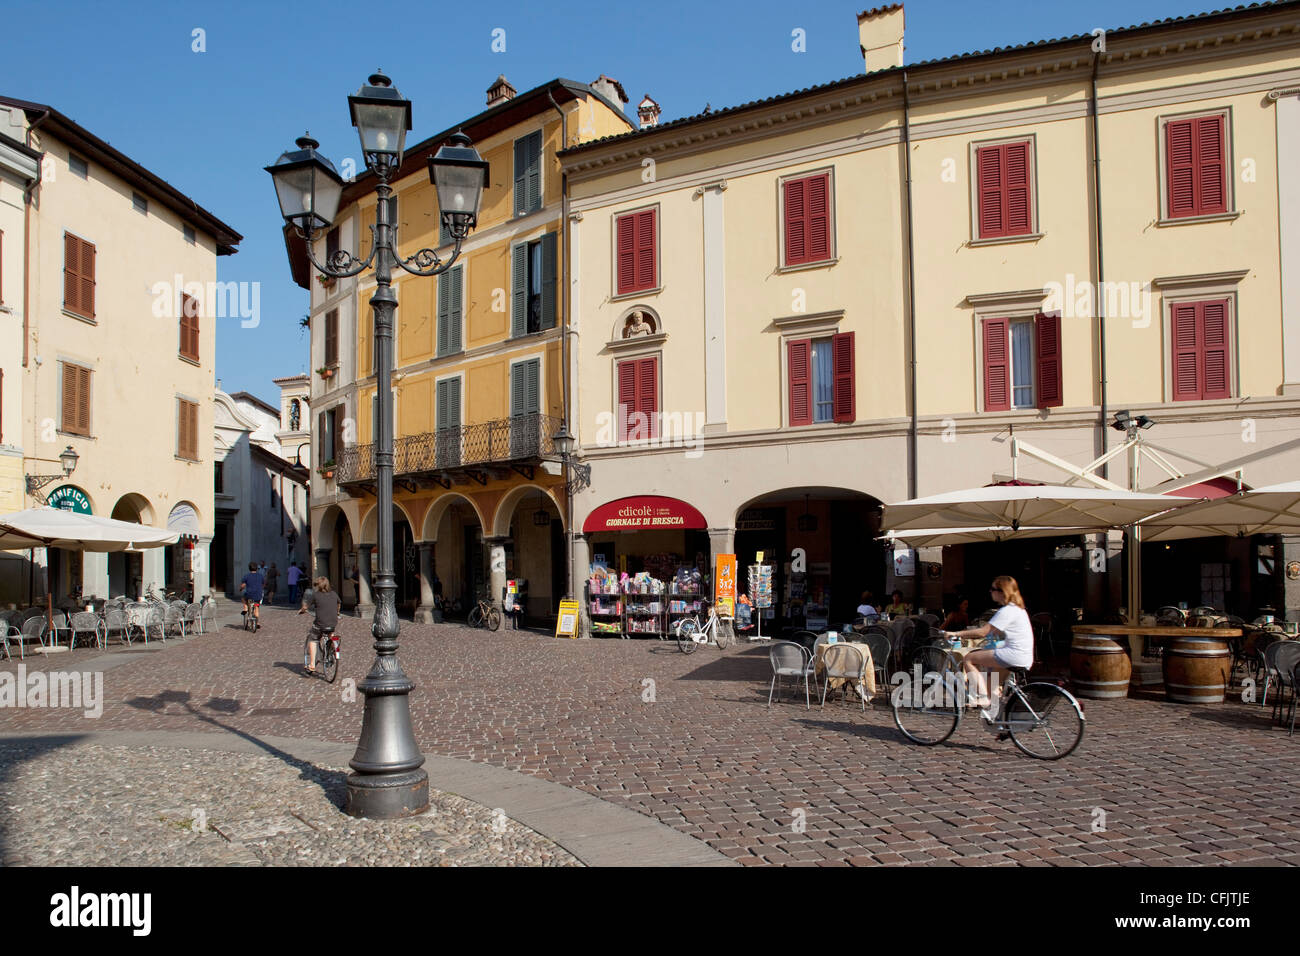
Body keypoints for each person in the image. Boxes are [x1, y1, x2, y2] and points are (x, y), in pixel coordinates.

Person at [945, 575, 1034, 721]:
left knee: (969, 659)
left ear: (1002, 592)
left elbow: (983, 632)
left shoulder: (1007, 610)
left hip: (1013, 654)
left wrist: (957, 634)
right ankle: (999, 718)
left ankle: (983, 698)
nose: (990, 592)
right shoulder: (1018, 609)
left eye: (993, 589)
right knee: (992, 680)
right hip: (1022, 655)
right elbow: (993, 632)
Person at [299, 576, 340, 676]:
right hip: (333, 622)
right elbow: (339, 604)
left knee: (313, 639)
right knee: (330, 632)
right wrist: (337, 612)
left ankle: (312, 665)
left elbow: (306, 606)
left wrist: (303, 610)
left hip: (320, 624)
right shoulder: (334, 594)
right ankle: (333, 648)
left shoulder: (316, 595)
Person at [238, 562, 265, 631]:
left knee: (243, 598)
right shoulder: (260, 576)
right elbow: (264, 584)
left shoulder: (247, 576)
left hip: (249, 595)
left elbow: (243, 585)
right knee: (256, 607)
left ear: (249, 568)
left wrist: (240, 589)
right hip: (258, 595)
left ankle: (245, 608)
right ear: (257, 568)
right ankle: (257, 622)